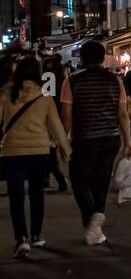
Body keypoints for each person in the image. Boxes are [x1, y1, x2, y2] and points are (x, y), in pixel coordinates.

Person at [59, 41, 131, 245]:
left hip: (84, 138)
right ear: (103, 58)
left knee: (78, 179)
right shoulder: (115, 80)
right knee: (101, 180)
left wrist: (61, 141)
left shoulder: (72, 81)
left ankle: (93, 214)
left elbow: (66, 117)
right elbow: (123, 114)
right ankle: (95, 225)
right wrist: (128, 141)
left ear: (82, 58)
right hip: (110, 138)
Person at [2, 56, 71, 258]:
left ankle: (21, 239)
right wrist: (66, 149)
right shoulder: (44, 95)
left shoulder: (6, 95)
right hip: (39, 150)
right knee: (36, 194)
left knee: (16, 197)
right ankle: (36, 235)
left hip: (12, 151)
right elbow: (55, 126)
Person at [42, 55, 69, 191]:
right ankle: (49, 178)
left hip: (48, 114)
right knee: (50, 148)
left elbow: (47, 95)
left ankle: (55, 177)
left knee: (50, 149)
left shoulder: (48, 76)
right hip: (57, 113)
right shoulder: (61, 77)